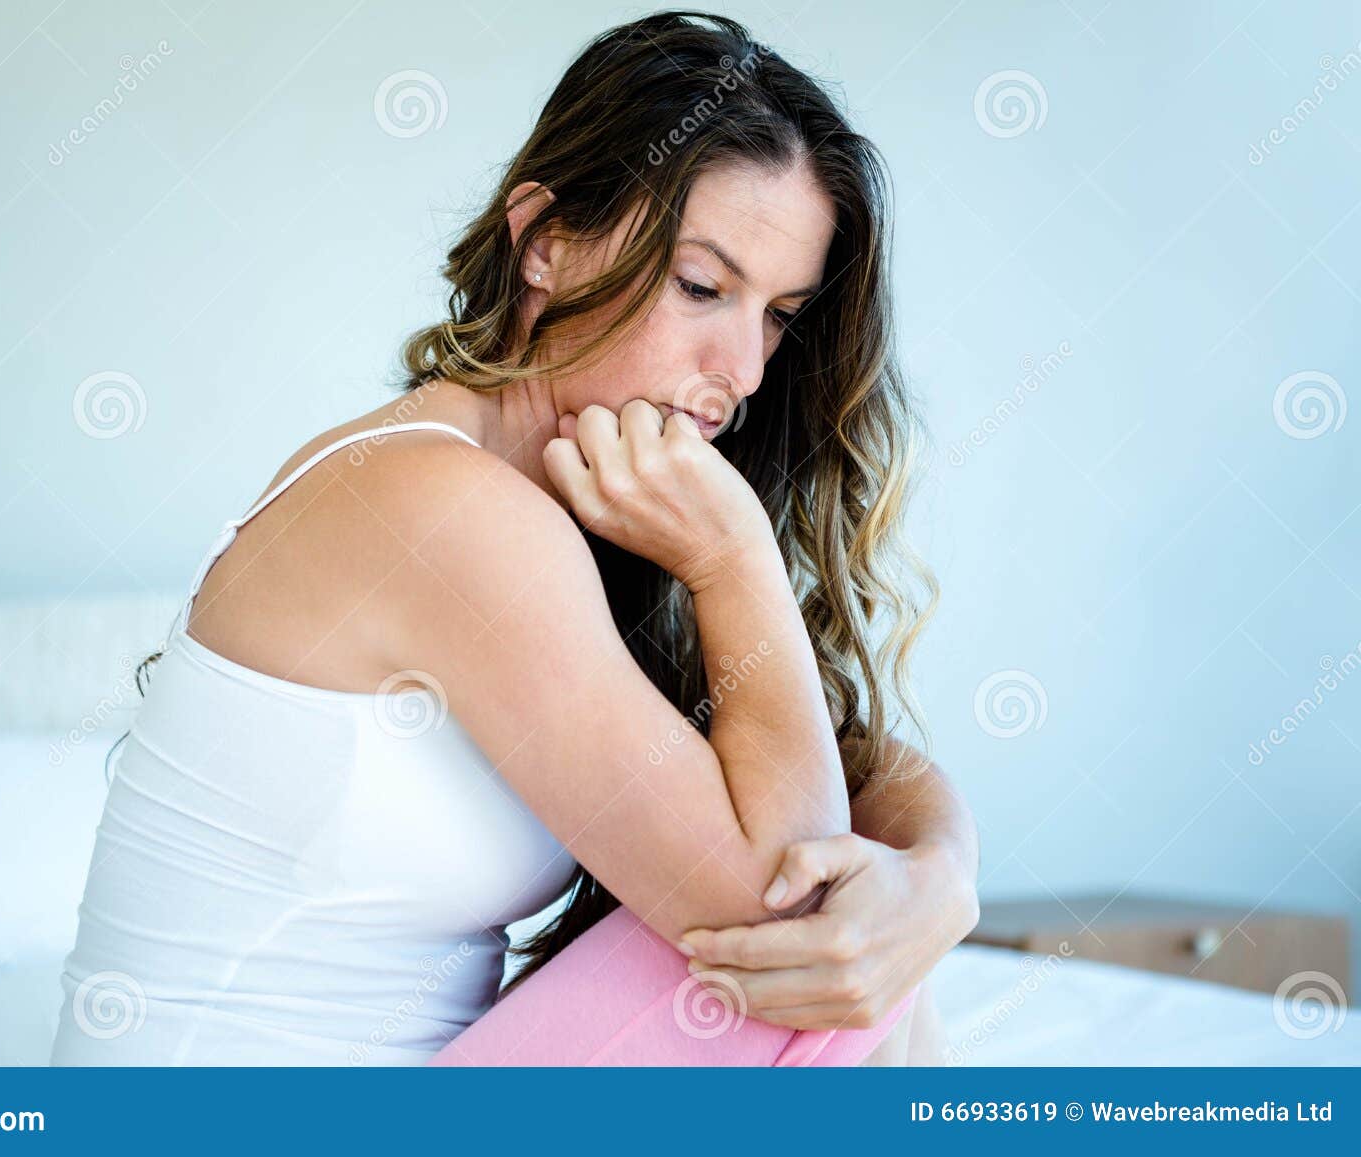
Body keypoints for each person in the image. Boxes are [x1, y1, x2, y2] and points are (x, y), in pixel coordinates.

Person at [51, 9, 978, 1067]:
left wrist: (941, 871)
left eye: (778, 314)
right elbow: (789, 911)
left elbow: (841, 764)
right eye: (701, 287)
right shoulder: (436, 507)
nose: (745, 368)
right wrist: (734, 561)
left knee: (873, 948)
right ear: (545, 243)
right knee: (818, 963)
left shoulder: (553, 501)